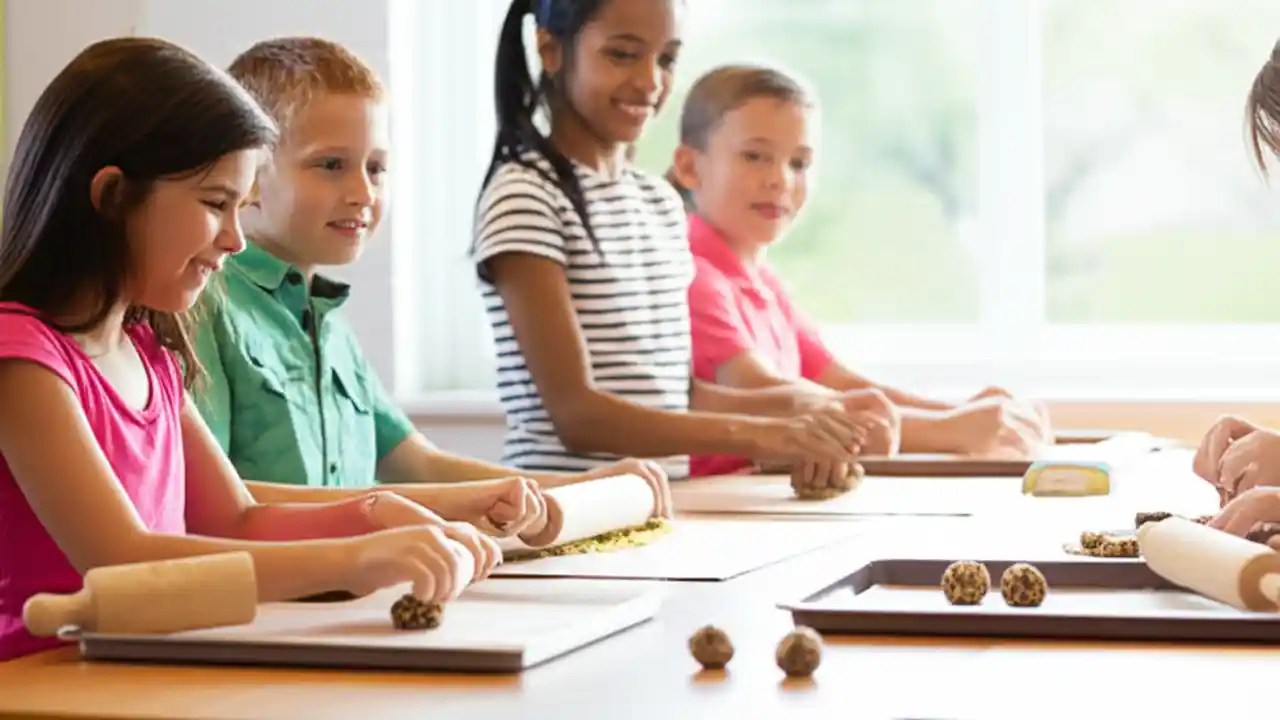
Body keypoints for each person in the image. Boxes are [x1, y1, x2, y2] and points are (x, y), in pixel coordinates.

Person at [0, 38, 498, 662]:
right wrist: (356, 556)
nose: (235, 239)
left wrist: (378, 515)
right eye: (215, 205)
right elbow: (121, 558)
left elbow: (234, 517)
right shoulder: (22, 361)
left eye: (240, 207)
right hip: (43, 685)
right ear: (112, 196)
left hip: (138, 675)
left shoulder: (147, 350)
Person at [472, 0, 883, 482]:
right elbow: (578, 416)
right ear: (550, 50)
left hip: (663, 506)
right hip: (566, 516)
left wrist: (799, 407)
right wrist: (763, 434)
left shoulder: (660, 204)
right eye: (622, 55)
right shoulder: (525, 196)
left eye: (666, 59)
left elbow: (672, 393)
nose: (650, 81)